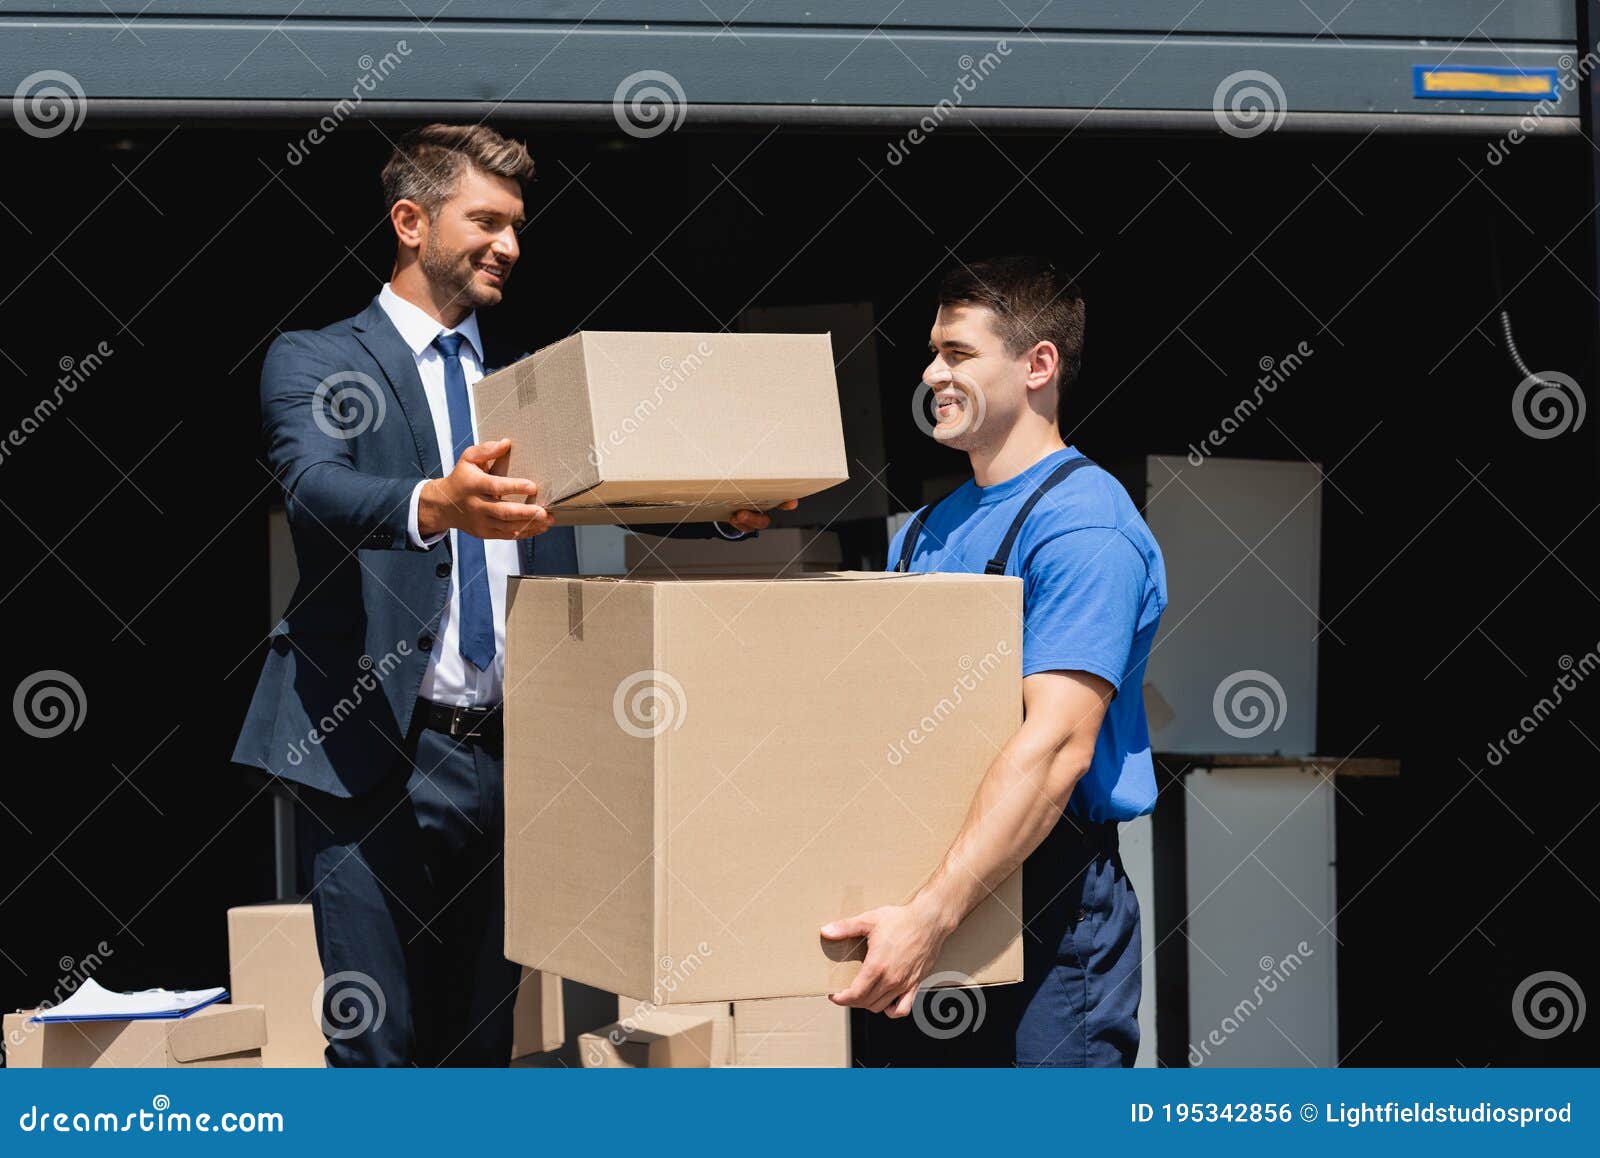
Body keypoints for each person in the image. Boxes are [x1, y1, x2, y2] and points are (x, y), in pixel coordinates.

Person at [231, 123, 788, 1066]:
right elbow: (312, 488)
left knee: (481, 1048)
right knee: (379, 1051)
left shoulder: (529, 377)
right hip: (377, 754)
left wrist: (715, 509)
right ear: (410, 221)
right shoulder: (317, 358)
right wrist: (434, 502)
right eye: (486, 220)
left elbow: (609, 485)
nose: (511, 246)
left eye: (518, 225)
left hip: (517, 758)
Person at [823, 256, 1167, 1067]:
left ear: (1038, 365)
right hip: (918, 904)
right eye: (933, 353)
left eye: (958, 353)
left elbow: (1053, 753)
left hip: (1046, 918)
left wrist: (931, 919)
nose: (931, 373)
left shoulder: (1084, 528)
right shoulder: (924, 530)